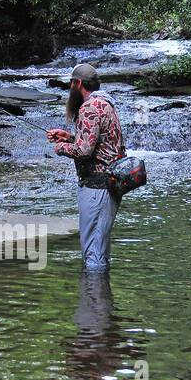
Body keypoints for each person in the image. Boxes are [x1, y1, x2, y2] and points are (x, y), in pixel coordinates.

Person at [46, 62, 125, 273]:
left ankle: (93, 300)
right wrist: (69, 136)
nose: (70, 88)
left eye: (71, 83)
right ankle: (101, 302)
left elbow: (84, 151)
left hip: (97, 188)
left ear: (78, 83)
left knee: (92, 251)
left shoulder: (89, 108)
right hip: (109, 185)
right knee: (100, 248)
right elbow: (98, 142)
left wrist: (61, 147)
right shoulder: (105, 103)